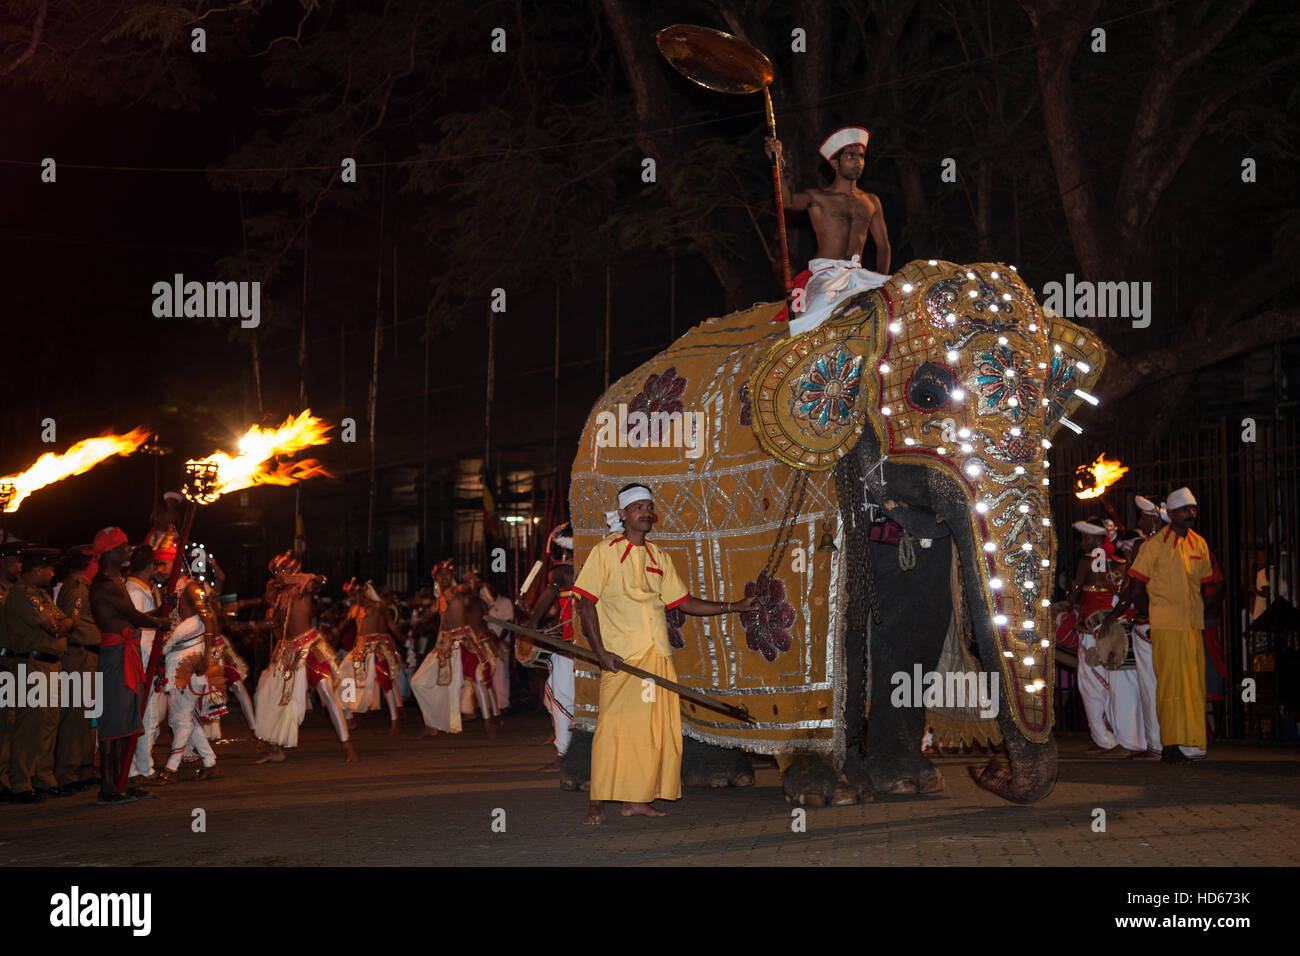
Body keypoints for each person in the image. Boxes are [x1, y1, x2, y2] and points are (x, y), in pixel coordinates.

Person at [575, 483, 756, 825]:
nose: (646, 512)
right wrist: (600, 652)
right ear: (624, 514)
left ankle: (635, 801)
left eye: (649, 506)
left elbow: (683, 603)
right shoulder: (605, 552)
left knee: (653, 733)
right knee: (613, 729)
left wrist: (734, 606)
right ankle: (597, 802)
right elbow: (586, 603)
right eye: (638, 507)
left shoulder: (659, 556)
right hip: (623, 661)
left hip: (658, 656)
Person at [1102, 488, 1225, 763]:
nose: (1190, 514)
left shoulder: (1199, 544)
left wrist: (1198, 610)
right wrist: (1156, 615)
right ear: (1170, 513)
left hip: (1192, 626)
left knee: (1193, 685)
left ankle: (1194, 744)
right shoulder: (1154, 546)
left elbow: (1211, 586)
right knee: (1168, 685)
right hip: (1166, 627)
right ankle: (1170, 744)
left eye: (1193, 508)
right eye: (1184, 509)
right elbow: (1136, 590)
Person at [764, 126, 891, 335]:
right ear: (834, 163)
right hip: (826, 274)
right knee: (817, 313)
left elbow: (884, 246)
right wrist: (777, 163)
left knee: (901, 297)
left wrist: (882, 282)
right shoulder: (818, 198)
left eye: (861, 156)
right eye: (850, 156)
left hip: (859, 274)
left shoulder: (871, 201)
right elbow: (787, 202)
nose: (857, 161)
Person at [89, 527, 171, 805]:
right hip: (116, 656)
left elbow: (133, 617)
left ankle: (122, 780)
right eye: (123, 547)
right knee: (113, 724)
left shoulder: (115, 579)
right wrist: (160, 621)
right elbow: (134, 617)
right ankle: (109, 787)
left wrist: (162, 611)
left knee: (126, 721)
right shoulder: (105, 582)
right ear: (110, 552)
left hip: (125, 654)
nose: (129, 551)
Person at [252, 551, 357, 763]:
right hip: (288, 651)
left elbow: (321, 582)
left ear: (294, 571)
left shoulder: (303, 587)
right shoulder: (281, 596)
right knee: (265, 694)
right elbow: (277, 625)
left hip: (310, 647)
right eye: (277, 571)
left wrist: (309, 578)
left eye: (284, 570)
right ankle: (276, 747)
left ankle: (347, 746)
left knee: (327, 691)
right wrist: (248, 625)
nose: (280, 574)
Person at [1061, 519, 1144, 756]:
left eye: (1087, 538)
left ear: (1097, 539)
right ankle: (1118, 740)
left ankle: (1111, 741)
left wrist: (1068, 594)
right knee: (1120, 687)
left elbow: (1073, 597)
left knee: (1092, 687)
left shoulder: (1089, 559)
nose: (1084, 542)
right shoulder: (1121, 563)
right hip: (1118, 628)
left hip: (1096, 631)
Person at [5, 547, 75, 803]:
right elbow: (53, 625)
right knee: (29, 726)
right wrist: (61, 625)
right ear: (38, 570)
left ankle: (44, 777)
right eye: (49, 568)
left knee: (48, 724)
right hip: (33, 664)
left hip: (50, 665)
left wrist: (63, 624)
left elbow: (67, 622)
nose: (53, 573)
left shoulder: (41, 594)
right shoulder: (23, 595)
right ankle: (21, 782)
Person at [154, 578, 221, 782]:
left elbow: (208, 617)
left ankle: (172, 768)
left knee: (180, 720)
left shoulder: (190, 589)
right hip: (177, 665)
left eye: (164, 564)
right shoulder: (169, 591)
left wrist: (206, 657)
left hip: (189, 667)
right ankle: (210, 762)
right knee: (186, 718)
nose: (159, 569)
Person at [53, 545, 102, 793]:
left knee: (88, 717)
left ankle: (84, 769)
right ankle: (68, 773)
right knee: (75, 717)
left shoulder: (84, 585)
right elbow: (70, 620)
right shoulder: (75, 587)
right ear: (89, 562)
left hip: (90, 657)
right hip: (79, 656)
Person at [529, 523, 576, 772]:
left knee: (562, 698)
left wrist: (532, 624)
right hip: (604, 645)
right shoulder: (603, 566)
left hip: (571, 649)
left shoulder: (561, 574)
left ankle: (563, 755)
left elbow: (550, 596)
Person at [410, 561, 470, 737]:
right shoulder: (440, 600)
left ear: (452, 576)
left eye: (447, 574)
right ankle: (432, 722)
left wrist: (460, 587)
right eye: (440, 574)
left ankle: (446, 724)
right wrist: (420, 609)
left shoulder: (457, 593)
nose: (444, 577)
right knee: (418, 682)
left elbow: (466, 588)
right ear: (435, 578)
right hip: (443, 645)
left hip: (459, 644)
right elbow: (428, 615)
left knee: (452, 686)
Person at [339, 579, 403, 734]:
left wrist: (405, 642)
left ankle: (395, 720)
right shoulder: (354, 609)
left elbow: (391, 625)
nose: (351, 598)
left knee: (384, 678)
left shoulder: (379, 606)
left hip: (377, 646)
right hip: (360, 648)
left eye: (354, 594)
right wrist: (331, 633)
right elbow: (343, 625)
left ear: (363, 592)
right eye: (350, 595)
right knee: (342, 675)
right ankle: (349, 717)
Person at [126, 544, 167, 781]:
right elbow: (138, 629)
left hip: (147, 658)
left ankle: (142, 763)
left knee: (151, 715)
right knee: (146, 715)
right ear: (151, 566)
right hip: (142, 660)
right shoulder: (133, 591)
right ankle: (141, 767)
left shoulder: (141, 589)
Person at [0, 542, 23, 802]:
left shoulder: (14, 592)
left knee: (10, 723)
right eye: (13, 561)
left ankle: (6, 779)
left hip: (12, 662)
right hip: (2, 661)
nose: (18, 566)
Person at [483, 576, 515, 714]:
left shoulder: (505, 602)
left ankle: (503, 704)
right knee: (488, 672)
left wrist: (498, 639)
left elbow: (509, 623)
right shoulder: (485, 602)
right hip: (487, 642)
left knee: (501, 673)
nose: (491, 589)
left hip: (501, 643)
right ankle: (490, 704)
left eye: (493, 586)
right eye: (488, 587)